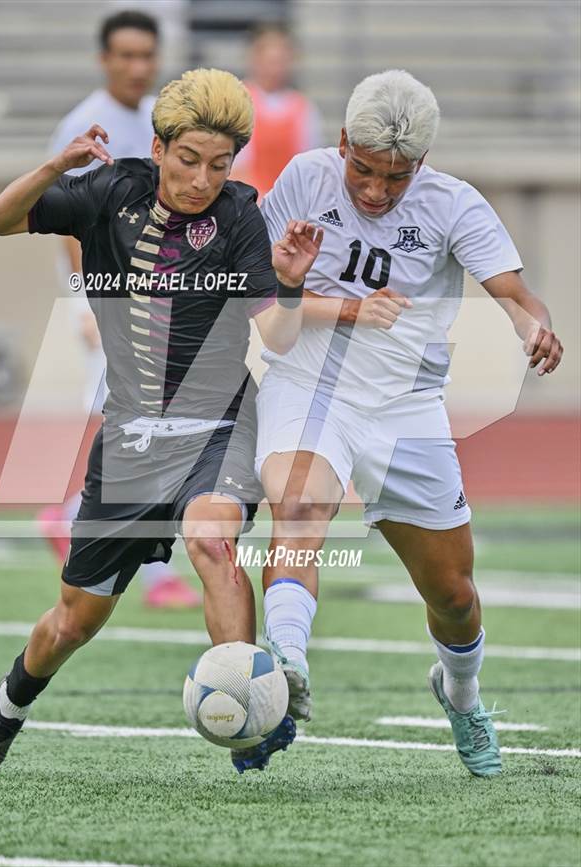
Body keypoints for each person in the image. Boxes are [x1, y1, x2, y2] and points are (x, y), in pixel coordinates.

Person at [0, 67, 323, 776]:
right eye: (188, 160)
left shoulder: (242, 217)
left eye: (219, 165)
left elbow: (274, 339)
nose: (201, 179)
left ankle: (248, 723)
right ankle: (3, 712)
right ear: (157, 149)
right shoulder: (109, 192)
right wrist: (58, 165)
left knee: (212, 541)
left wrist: (290, 282)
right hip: (130, 440)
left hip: (219, 426)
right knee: (73, 622)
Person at [255, 69, 563, 777]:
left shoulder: (453, 203)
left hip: (406, 405)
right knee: (300, 504)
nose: (374, 190)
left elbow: (517, 295)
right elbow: (265, 317)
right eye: (363, 170)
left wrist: (533, 328)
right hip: (310, 384)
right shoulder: (303, 180)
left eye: (394, 177)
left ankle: (461, 696)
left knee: (454, 594)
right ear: (341, 144)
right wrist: (294, 282)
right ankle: (286, 665)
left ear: (419, 165)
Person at [37, 9, 199, 607]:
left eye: (145, 56)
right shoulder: (84, 124)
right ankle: (155, 572)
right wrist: (86, 300)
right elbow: (71, 220)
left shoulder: (163, 118)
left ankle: (72, 516)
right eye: (125, 56)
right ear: (104, 59)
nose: (137, 66)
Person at [229, 22, 322, 199]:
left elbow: (309, 168)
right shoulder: (237, 100)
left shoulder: (305, 108)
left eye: (281, 60)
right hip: (246, 203)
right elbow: (233, 166)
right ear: (254, 58)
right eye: (269, 60)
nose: (275, 68)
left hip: (289, 205)